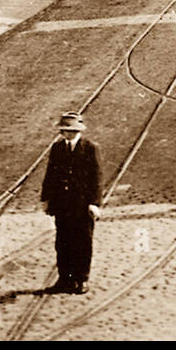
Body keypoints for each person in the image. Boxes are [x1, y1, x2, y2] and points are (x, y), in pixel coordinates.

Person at [39, 112, 100, 295]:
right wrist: (46, 199)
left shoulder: (90, 148)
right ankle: (64, 278)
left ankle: (81, 279)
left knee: (82, 242)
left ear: (78, 131)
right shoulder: (57, 148)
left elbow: (97, 178)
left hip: (82, 205)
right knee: (62, 242)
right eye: (65, 131)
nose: (68, 134)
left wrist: (94, 203)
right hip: (62, 205)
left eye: (72, 131)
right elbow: (50, 175)